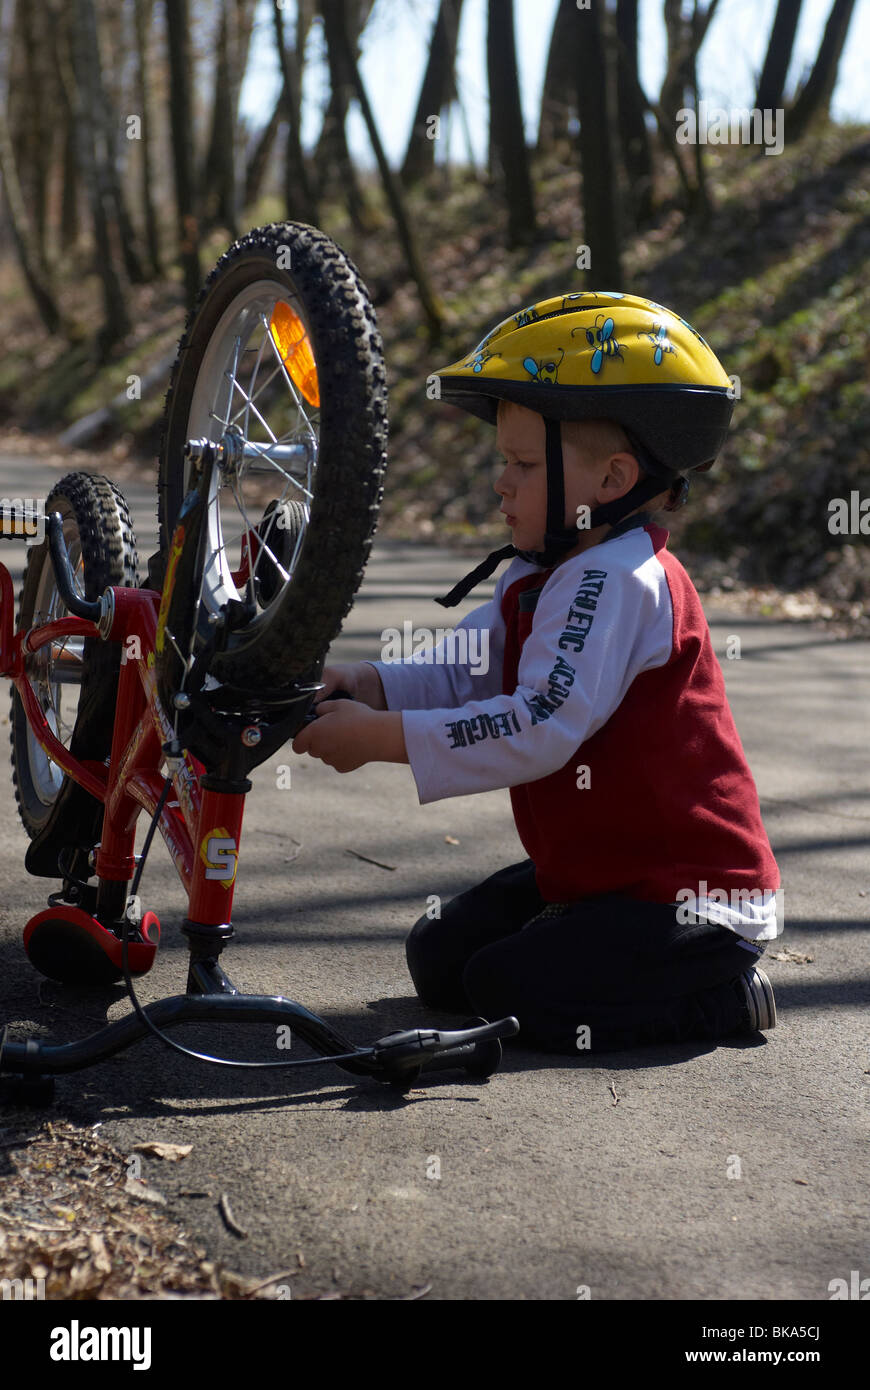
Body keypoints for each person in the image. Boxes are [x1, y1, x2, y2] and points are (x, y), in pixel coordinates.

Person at [291, 292, 781, 1053]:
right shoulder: (547, 571)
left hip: (688, 898)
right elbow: (469, 666)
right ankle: (612, 954)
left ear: (612, 481)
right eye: (503, 462)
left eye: (522, 464)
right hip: (605, 874)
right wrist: (370, 685)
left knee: (509, 989)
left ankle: (723, 995)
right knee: (441, 959)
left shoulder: (616, 579)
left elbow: (540, 724)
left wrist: (385, 739)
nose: (501, 483)